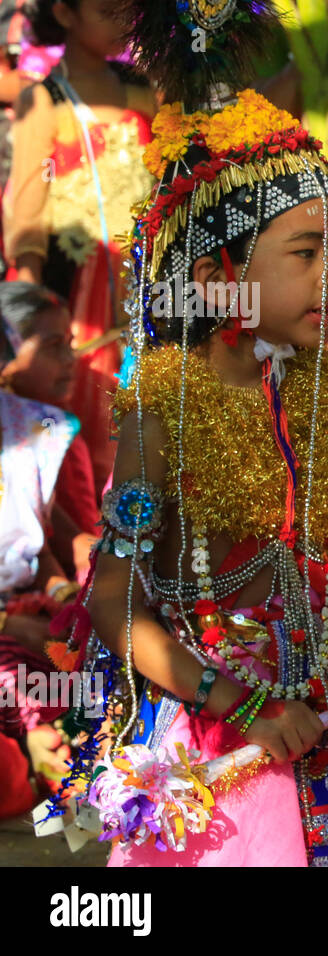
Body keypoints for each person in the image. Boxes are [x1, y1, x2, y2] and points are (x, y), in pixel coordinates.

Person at [44, 1, 328, 866]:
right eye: (306, 255)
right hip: (228, 770)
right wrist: (241, 703)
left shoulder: (319, 392)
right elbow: (111, 598)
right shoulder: (160, 413)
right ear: (216, 279)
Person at [4, 0, 155, 492]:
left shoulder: (142, 91)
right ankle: (88, 529)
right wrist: (25, 309)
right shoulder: (43, 101)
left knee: (145, 414)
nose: (123, 23)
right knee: (86, 411)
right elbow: (27, 212)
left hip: (148, 285)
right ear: (64, 12)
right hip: (80, 300)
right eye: (108, 10)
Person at [0, 282, 82, 819]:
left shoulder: (33, 429)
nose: (70, 359)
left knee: (85, 659)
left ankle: (55, 745)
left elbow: (42, 539)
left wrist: (63, 597)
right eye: (52, 345)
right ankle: (37, 745)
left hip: (25, 613)